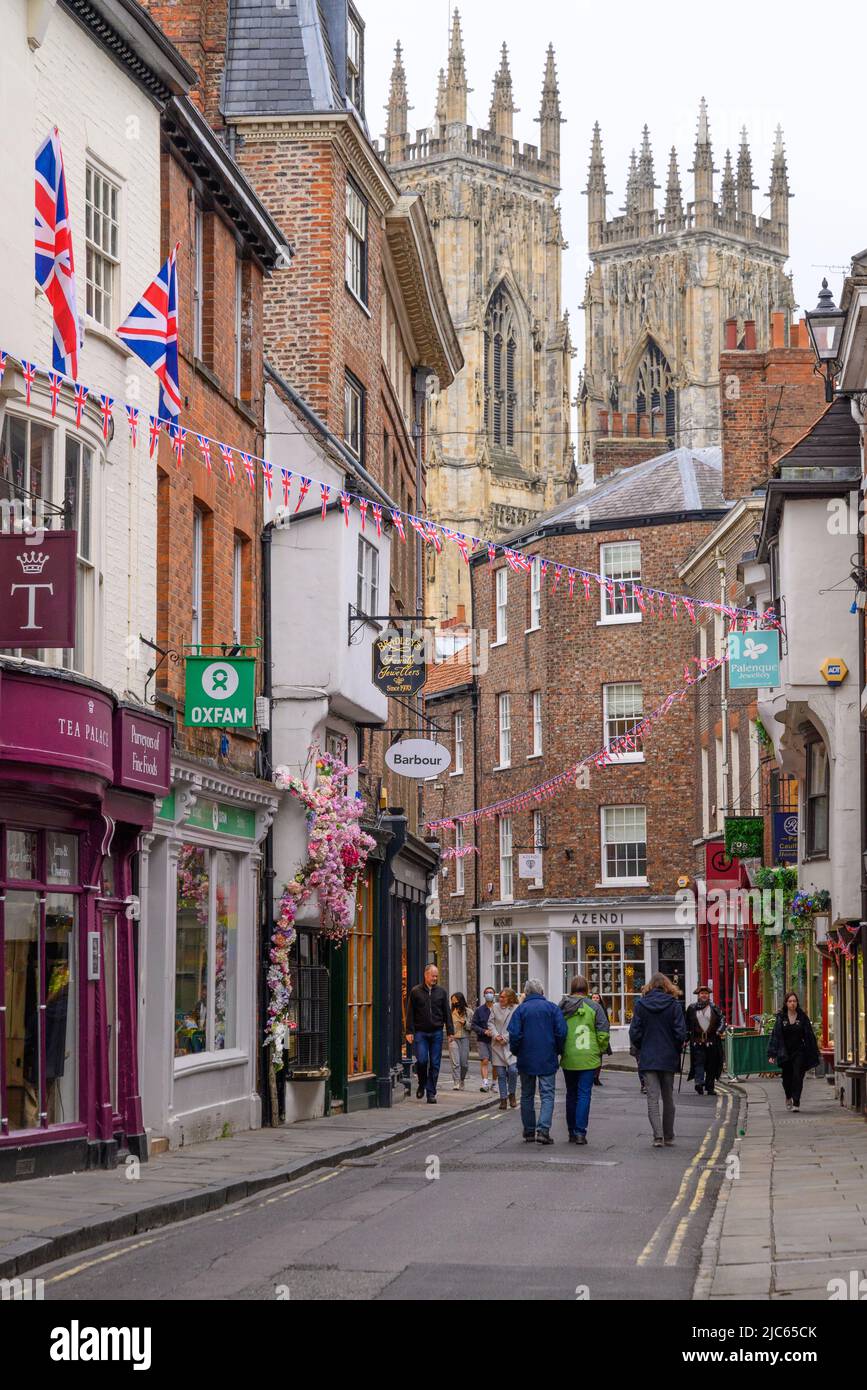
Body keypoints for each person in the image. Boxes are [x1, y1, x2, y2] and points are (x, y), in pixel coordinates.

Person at [629, 972, 687, 1148]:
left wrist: (642, 1046)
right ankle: (669, 1135)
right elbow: (681, 1033)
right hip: (668, 1057)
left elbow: (634, 1032)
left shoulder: (641, 1005)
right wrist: (676, 1047)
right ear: (667, 986)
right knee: (668, 1098)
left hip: (648, 1056)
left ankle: (657, 1137)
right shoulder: (674, 1005)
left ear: (650, 986)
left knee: (652, 1098)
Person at [507, 979, 567, 1145]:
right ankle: (543, 1130)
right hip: (547, 1057)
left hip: (526, 1058)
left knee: (527, 1095)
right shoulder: (552, 1008)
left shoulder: (520, 1010)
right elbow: (561, 1032)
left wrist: (516, 1051)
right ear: (541, 992)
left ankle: (529, 1131)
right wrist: (558, 1050)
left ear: (526, 993)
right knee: (547, 1094)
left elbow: (514, 1034)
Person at [559, 976, 610, 1144]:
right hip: (589, 1057)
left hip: (569, 1056)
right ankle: (580, 1132)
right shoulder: (594, 1006)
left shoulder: (563, 1006)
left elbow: (557, 1031)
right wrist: (600, 1049)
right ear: (587, 989)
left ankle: (571, 1132)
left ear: (572, 987)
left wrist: (560, 1049)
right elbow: (603, 1032)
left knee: (571, 1094)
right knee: (584, 1094)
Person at [405, 964, 454, 1103]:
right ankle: (422, 1084)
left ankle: (431, 1093)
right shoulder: (415, 992)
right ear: (426, 975)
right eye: (433, 976)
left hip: (437, 1032)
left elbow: (447, 1012)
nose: (435, 978)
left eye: (436, 976)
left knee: (435, 1063)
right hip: (421, 1032)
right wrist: (409, 1031)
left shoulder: (441, 992)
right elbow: (410, 1013)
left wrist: (450, 1032)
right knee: (421, 1061)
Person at [768, 991, 820, 1113]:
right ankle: (788, 1096)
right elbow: (775, 1036)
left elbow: (809, 1035)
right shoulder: (781, 1017)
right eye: (790, 1001)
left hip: (799, 1052)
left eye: (794, 1001)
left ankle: (796, 1101)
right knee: (787, 1078)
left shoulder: (802, 1017)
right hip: (784, 1052)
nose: (792, 1003)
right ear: (786, 1003)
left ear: (797, 1003)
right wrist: (772, 1054)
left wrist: (813, 1052)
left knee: (798, 1076)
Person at [685, 984, 726, 1096]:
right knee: (699, 1062)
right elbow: (687, 1024)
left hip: (712, 1040)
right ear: (698, 995)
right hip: (697, 1041)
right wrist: (685, 1038)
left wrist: (719, 1030)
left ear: (709, 996)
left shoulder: (714, 1007)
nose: (704, 995)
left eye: (706, 994)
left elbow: (722, 1019)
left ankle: (710, 1087)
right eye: (702, 993)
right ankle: (699, 1083)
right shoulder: (691, 1008)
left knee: (711, 1065)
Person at [488, 988, 519, 1110]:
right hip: (497, 1044)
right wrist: (496, 1035)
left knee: (513, 1071)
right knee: (500, 1074)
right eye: (500, 996)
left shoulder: (516, 1008)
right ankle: (503, 1099)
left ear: (510, 998)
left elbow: (517, 1026)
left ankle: (512, 1093)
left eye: (503, 997)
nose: (500, 999)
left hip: (510, 1044)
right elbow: (490, 1023)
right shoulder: (494, 1007)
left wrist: (506, 1037)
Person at [470, 987, 496, 1091]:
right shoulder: (479, 1010)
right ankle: (485, 1083)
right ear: (484, 995)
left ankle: (494, 1083)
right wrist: (484, 1031)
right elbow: (473, 1025)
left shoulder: (497, 1008)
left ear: (494, 995)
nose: (489, 994)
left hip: (495, 1040)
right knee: (484, 1060)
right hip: (483, 1040)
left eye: (491, 992)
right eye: (487, 993)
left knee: (496, 1063)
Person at [448, 992, 471, 1091]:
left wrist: (465, 1023)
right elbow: (446, 1025)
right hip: (453, 1038)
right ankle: (456, 1082)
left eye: (455, 1000)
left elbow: (472, 1026)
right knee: (455, 1062)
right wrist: (449, 1035)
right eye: (452, 1001)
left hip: (465, 1038)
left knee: (464, 1063)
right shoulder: (450, 1012)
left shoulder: (469, 1012)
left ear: (460, 1000)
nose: (453, 1002)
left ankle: (462, 1079)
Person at [590, 990, 612, 1086]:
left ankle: (596, 1077)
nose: (595, 999)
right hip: (591, 1036)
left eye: (597, 998)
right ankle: (591, 1076)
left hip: (600, 1036)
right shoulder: (588, 1008)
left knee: (599, 1058)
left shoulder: (603, 1009)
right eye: (593, 997)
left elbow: (606, 1023)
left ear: (600, 999)